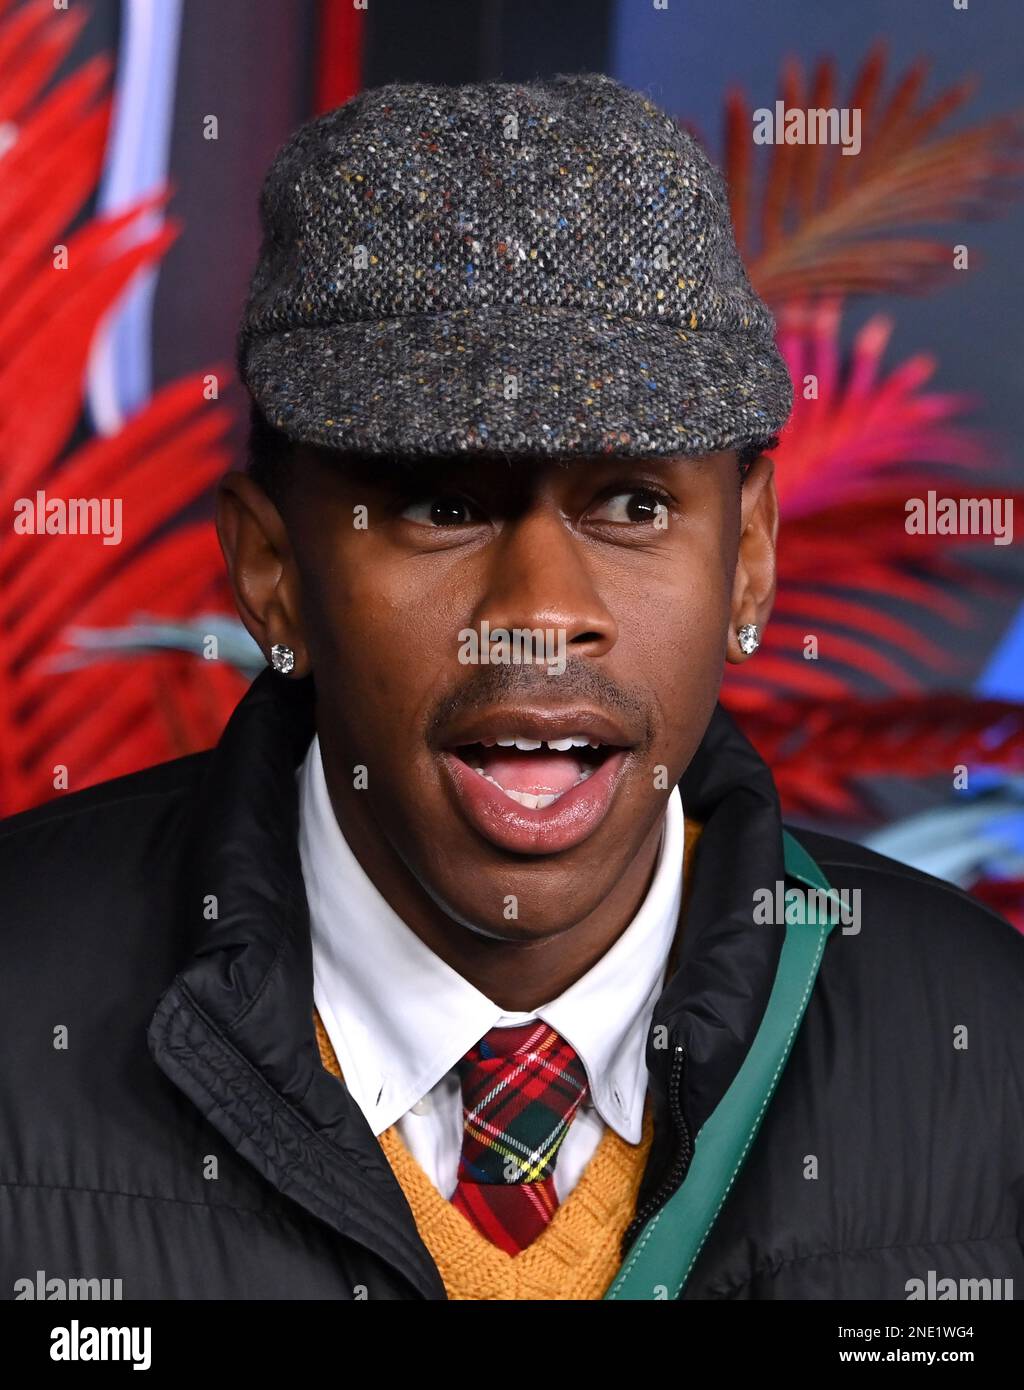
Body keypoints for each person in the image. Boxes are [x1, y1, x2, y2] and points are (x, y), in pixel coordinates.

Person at [2, 74, 1022, 1303]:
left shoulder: (986, 1041)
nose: (540, 612)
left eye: (633, 504)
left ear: (747, 558)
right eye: (441, 505)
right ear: (272, 572)